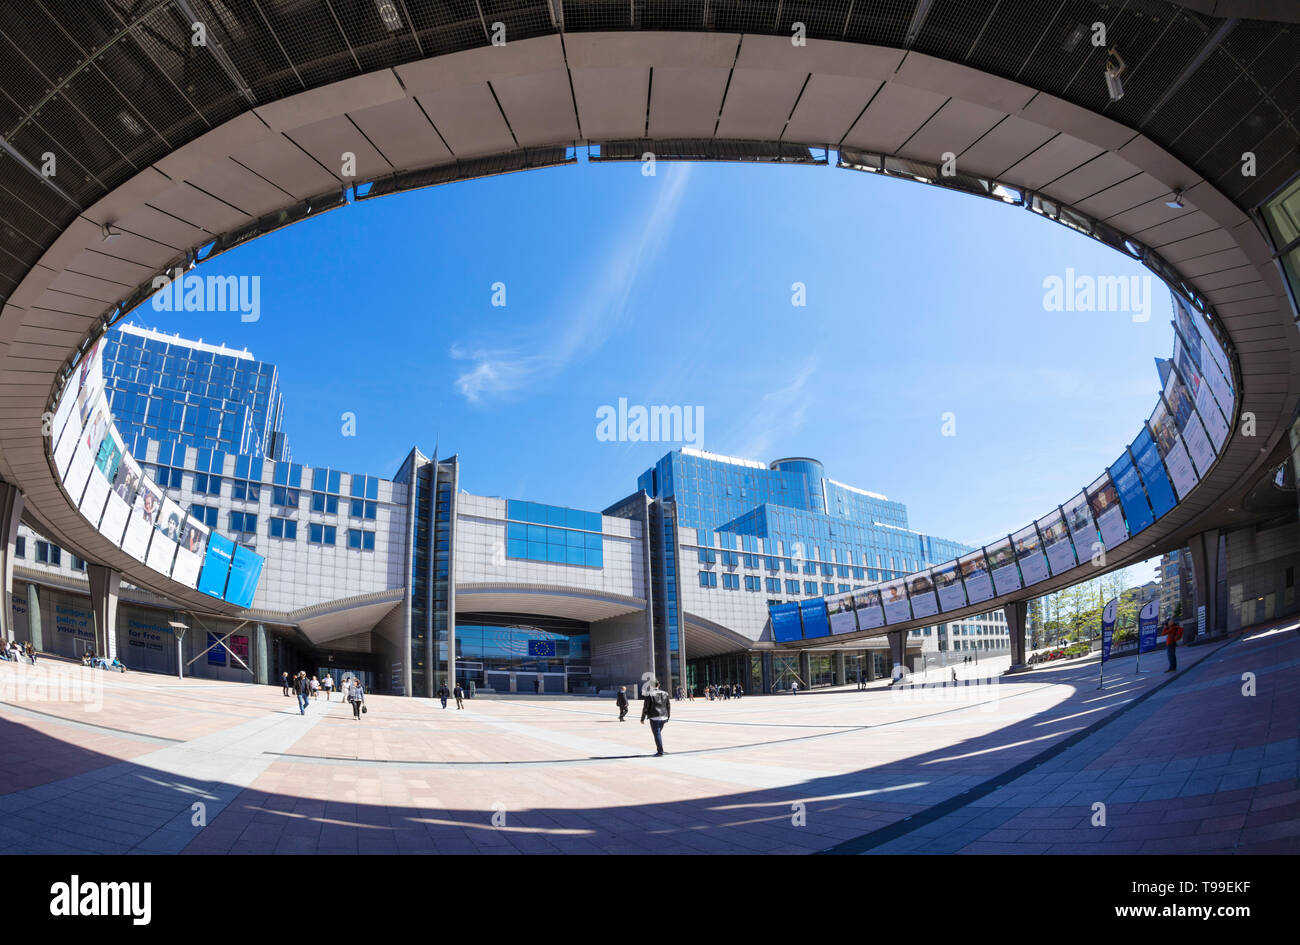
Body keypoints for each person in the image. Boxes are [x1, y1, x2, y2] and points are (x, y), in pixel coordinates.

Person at [640, 676, 671, 756]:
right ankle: (660, 749)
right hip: (664, 716)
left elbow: (645, 707)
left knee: (657, 734)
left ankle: (660, 751)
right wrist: (668, 717)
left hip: (654, 717)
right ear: (659, 685)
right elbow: (668, 706)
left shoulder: (649, 694)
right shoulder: (665, 693)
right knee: (658, 733)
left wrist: (642, 718)